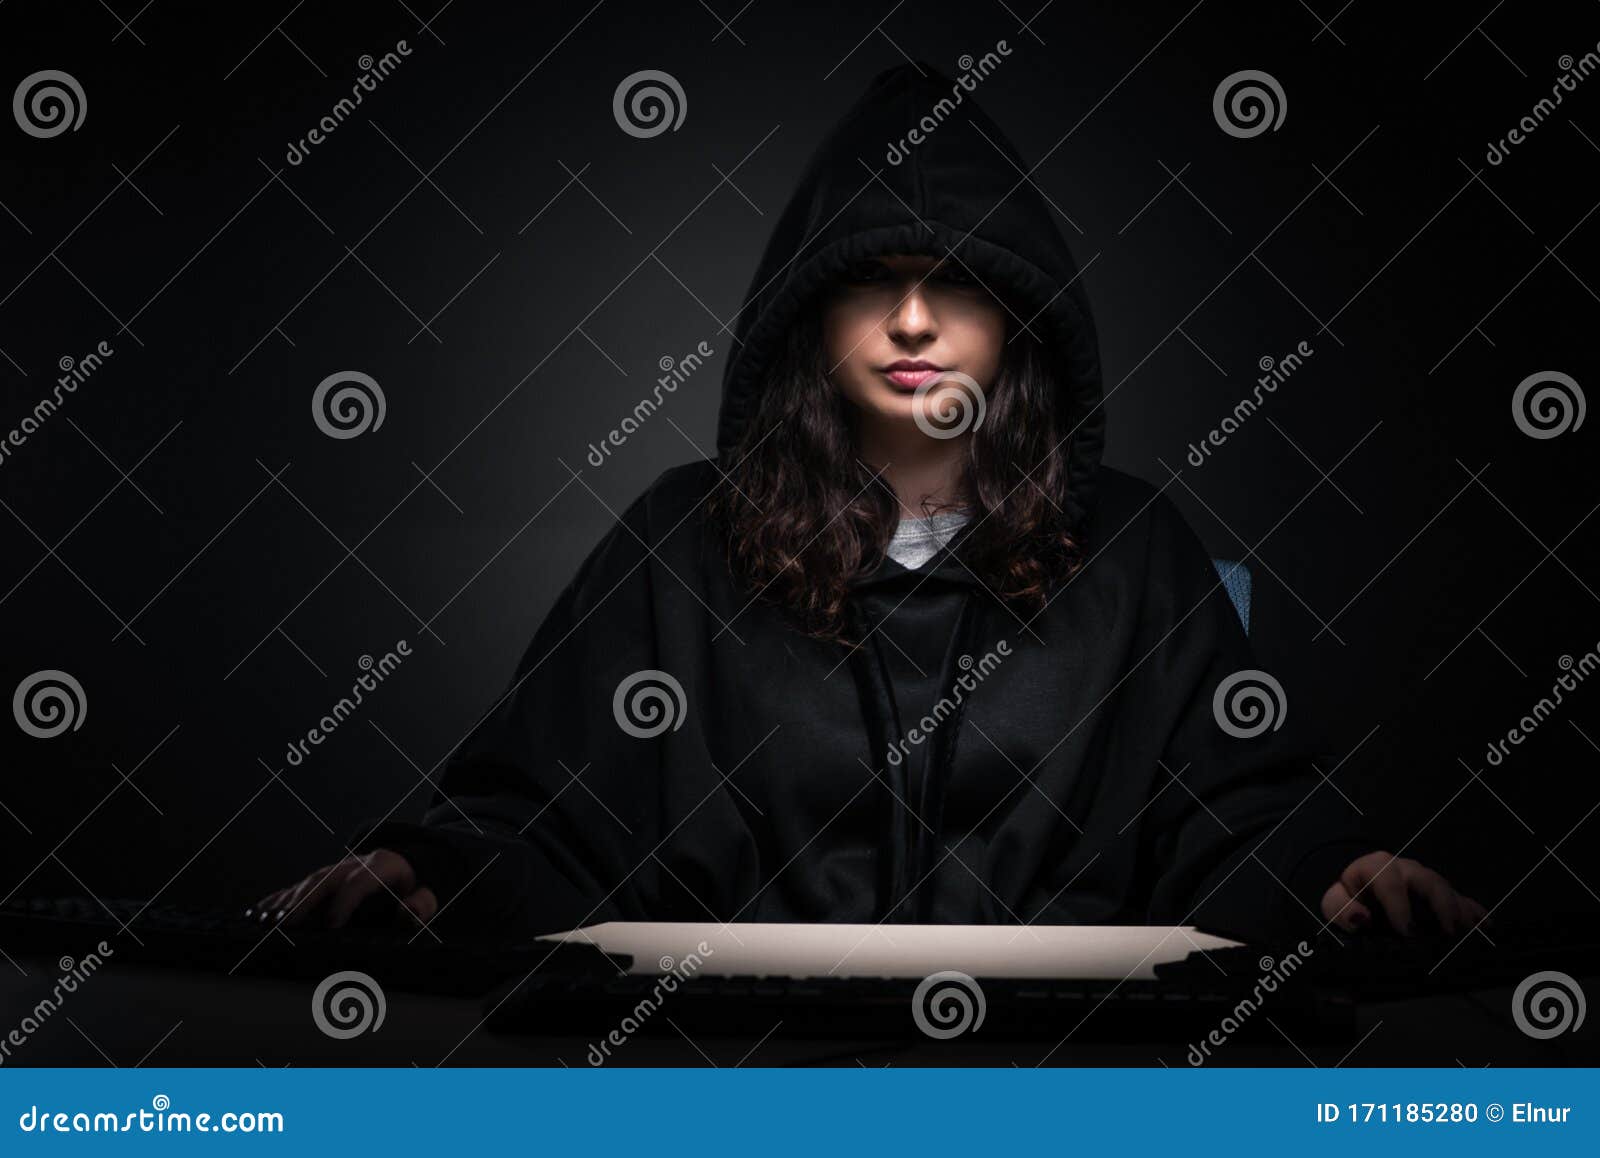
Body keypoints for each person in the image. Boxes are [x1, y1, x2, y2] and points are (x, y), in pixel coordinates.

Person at [257, 62, 1484, 943]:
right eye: (872, 285)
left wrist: (1332, 871)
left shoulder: (1135, 550)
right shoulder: (680, 543)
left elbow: (1238, 813)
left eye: (952, 283)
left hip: (1063, 1081)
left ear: (1017, 321)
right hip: (731, 1080)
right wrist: (430, 872)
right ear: (811, 319)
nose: (910, 321)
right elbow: (539, 810)